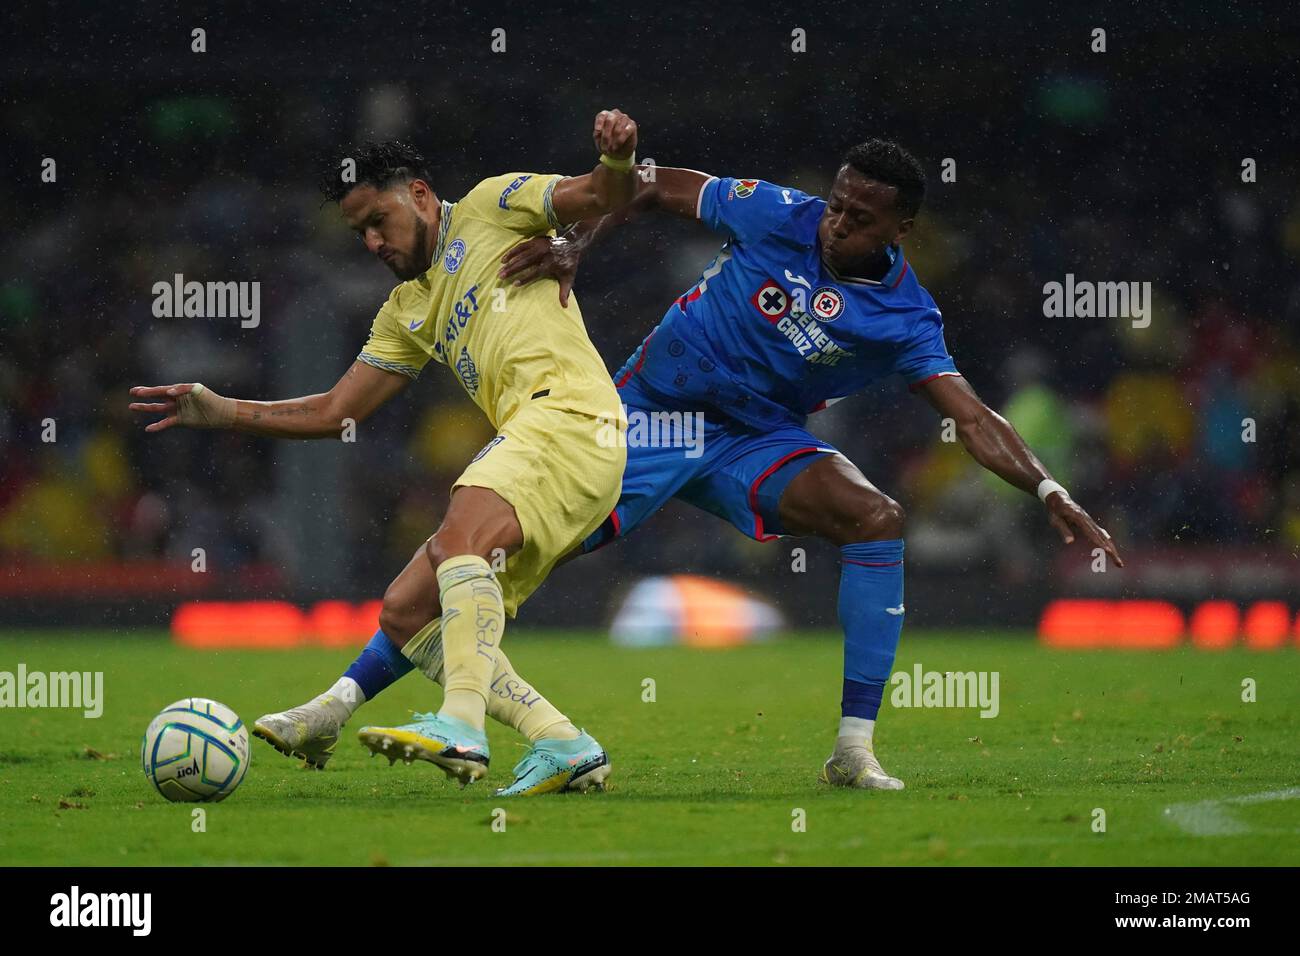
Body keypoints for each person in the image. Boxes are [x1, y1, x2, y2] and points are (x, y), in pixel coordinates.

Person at [496, 140, 1124, 789]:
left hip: (756, 438)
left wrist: (1049, 489)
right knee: (513, 550)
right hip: (654, 413)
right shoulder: (778, 213)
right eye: (837, 205)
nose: (837, 223)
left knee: (876, 518)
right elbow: (651, 182)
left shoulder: (905, 316)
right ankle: (418, 677)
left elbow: (971, 417)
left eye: (859, 219)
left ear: (900, 231)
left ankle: (853, 751)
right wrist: (576, 240)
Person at [129, 109, 641, 796]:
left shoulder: (493, 205)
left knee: (461, 533)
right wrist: (220, 410)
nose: (372, 240)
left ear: (421, 195)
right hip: (544, 442)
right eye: (359, 232)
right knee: (407, 608)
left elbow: (602, 195)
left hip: (574, 419)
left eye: (380, 220)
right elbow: (336, 411)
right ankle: (559, 742)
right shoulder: (406, 308)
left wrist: (615, 160)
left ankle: (461, 724)